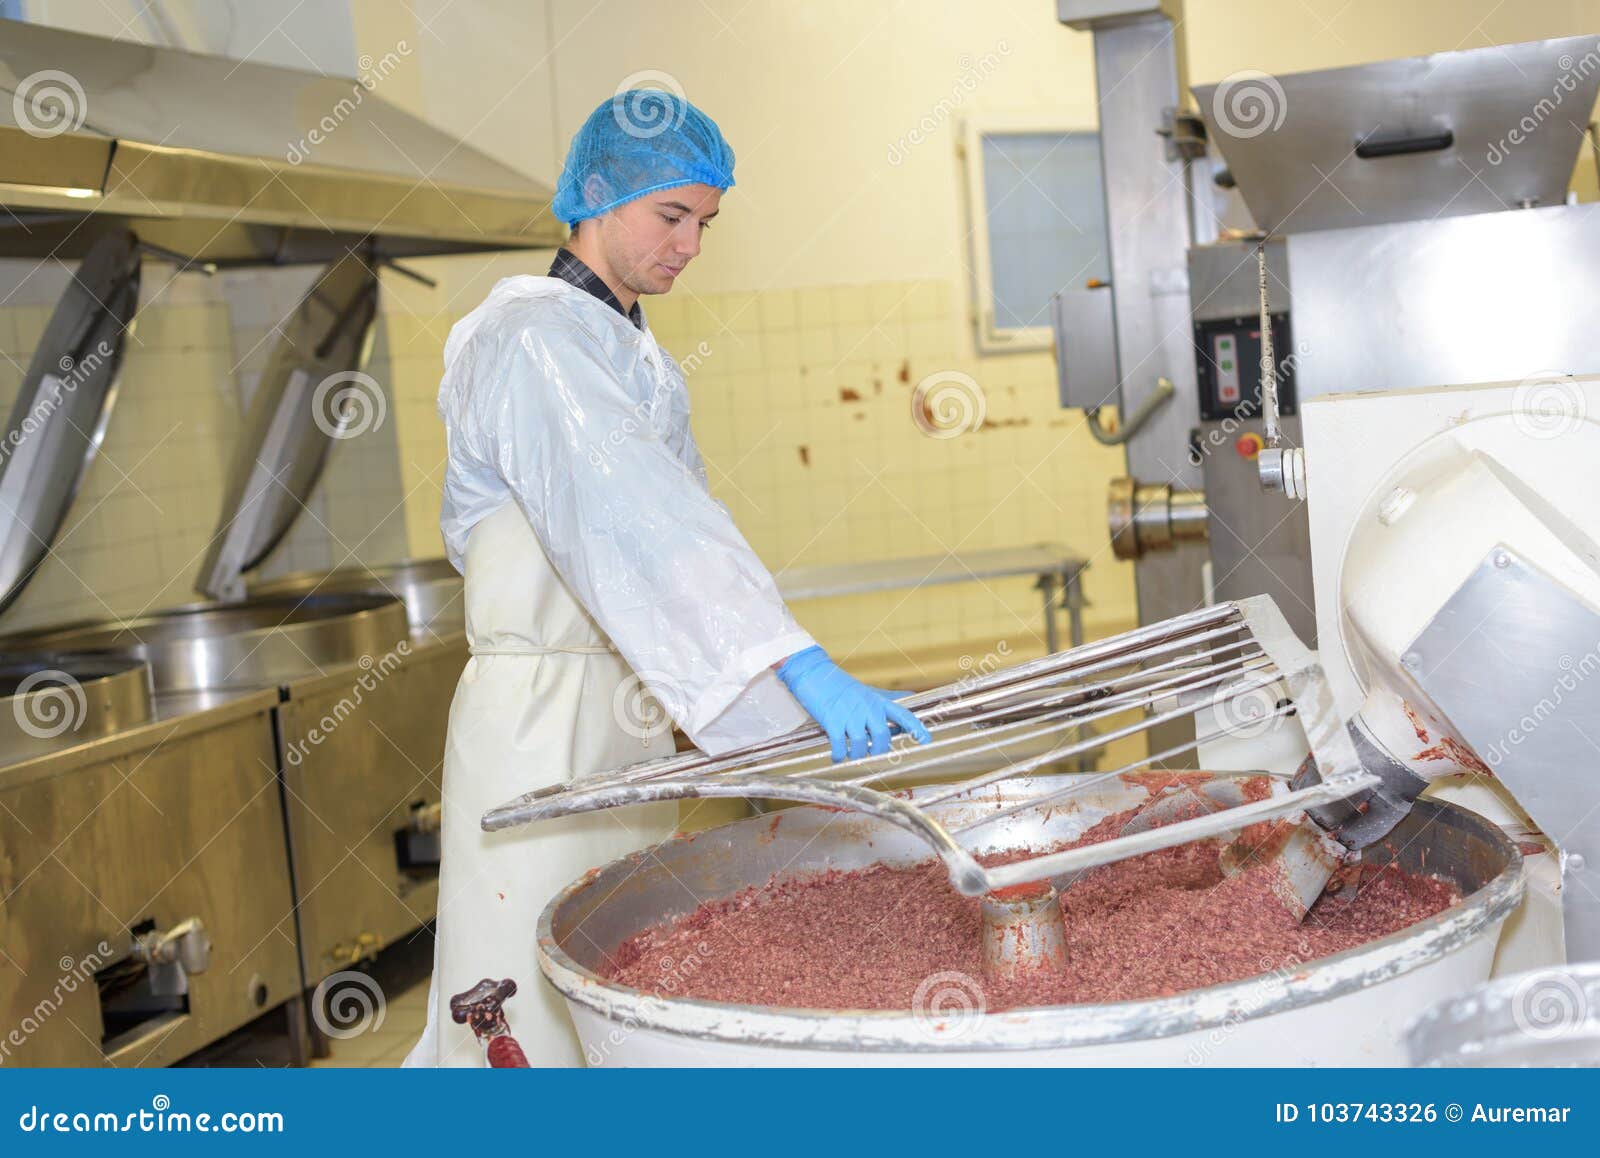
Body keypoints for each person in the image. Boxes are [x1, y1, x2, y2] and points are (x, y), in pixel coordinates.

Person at [403, 90, 930, 1067]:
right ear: (595, 197)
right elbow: (638, 522)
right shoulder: (530, 338)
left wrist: (778, 711)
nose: (690, 244)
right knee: (511, 1008)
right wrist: (796, 663)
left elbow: (680, 541)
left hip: (626, 716)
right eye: (670, 216)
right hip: (540, 724)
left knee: (618, 986)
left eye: (705, 222)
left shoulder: (632, 352)